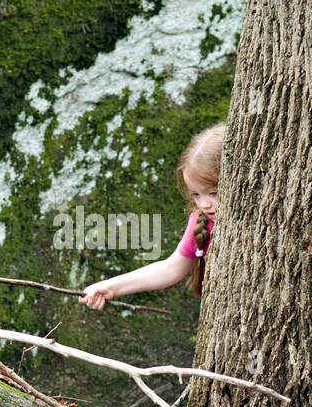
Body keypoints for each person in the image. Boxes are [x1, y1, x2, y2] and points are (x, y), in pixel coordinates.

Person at [79, 122, 225, 309]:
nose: (204, 204)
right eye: (195, 195)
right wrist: (110, 286)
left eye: (213, 192)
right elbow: (170, 269)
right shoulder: (201, 223)